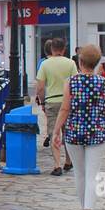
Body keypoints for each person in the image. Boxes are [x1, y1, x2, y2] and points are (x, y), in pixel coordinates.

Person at [53, 43, 105, 210]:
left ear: (80, 61)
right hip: (97, 132)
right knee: (93, 174)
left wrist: (56, 131)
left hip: (74, 132)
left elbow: (65, 109)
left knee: (80, 173)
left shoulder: (70, 82)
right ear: (97, 63)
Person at [34, 37, 76, 176]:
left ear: (51, 48)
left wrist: (42, 101)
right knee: (68, 132)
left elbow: (40, 87)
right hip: (68, 102)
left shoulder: (45, 64)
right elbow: (75, 83)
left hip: (51, 101)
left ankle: (57, 164)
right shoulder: (71, 63)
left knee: (54, 132)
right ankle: (69, 161)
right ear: (64, 49)